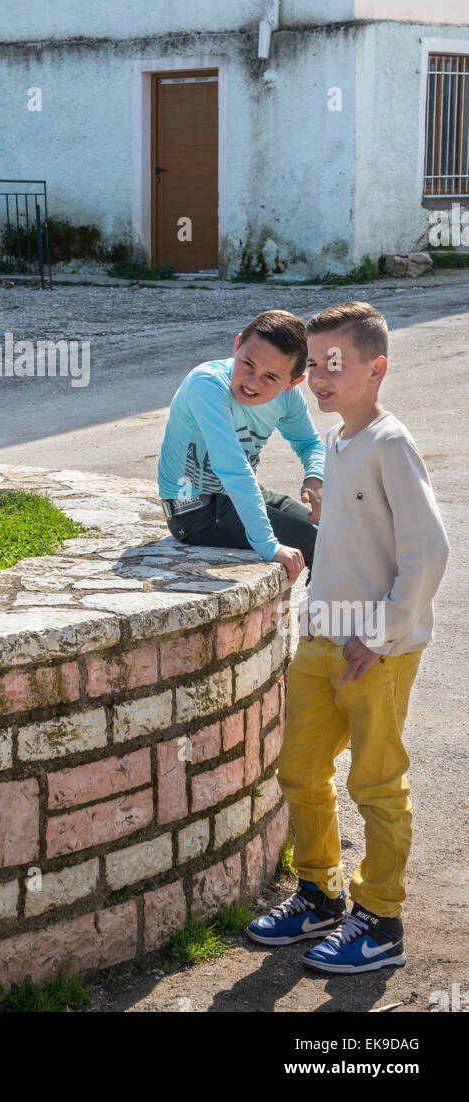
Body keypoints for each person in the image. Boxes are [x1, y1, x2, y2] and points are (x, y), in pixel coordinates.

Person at [247, 301, 449, 972]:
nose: (318, 378)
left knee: (375, 785)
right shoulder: (336, 444)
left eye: (334, 365)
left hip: (376, 654)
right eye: (312, 365)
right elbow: (348, 540)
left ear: (376, 369)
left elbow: (429, 551)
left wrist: (382, 633)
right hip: (321, 640)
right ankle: (318, 893)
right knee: (300, 771)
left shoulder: (390, 444)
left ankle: (381, 921)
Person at [157, 309, 325, 582]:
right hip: (193, 510)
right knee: (319, 543)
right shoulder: (207, 384)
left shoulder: (289, 397)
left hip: (239, 497)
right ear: (236, 347)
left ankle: (332, 619)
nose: (252, 382)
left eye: (270, 377)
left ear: (292, 382)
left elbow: (310, 442)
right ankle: (327, 621)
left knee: (335, 530)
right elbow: (232, 468)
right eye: (248, 364)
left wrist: (315, 476)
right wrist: (269, 545)